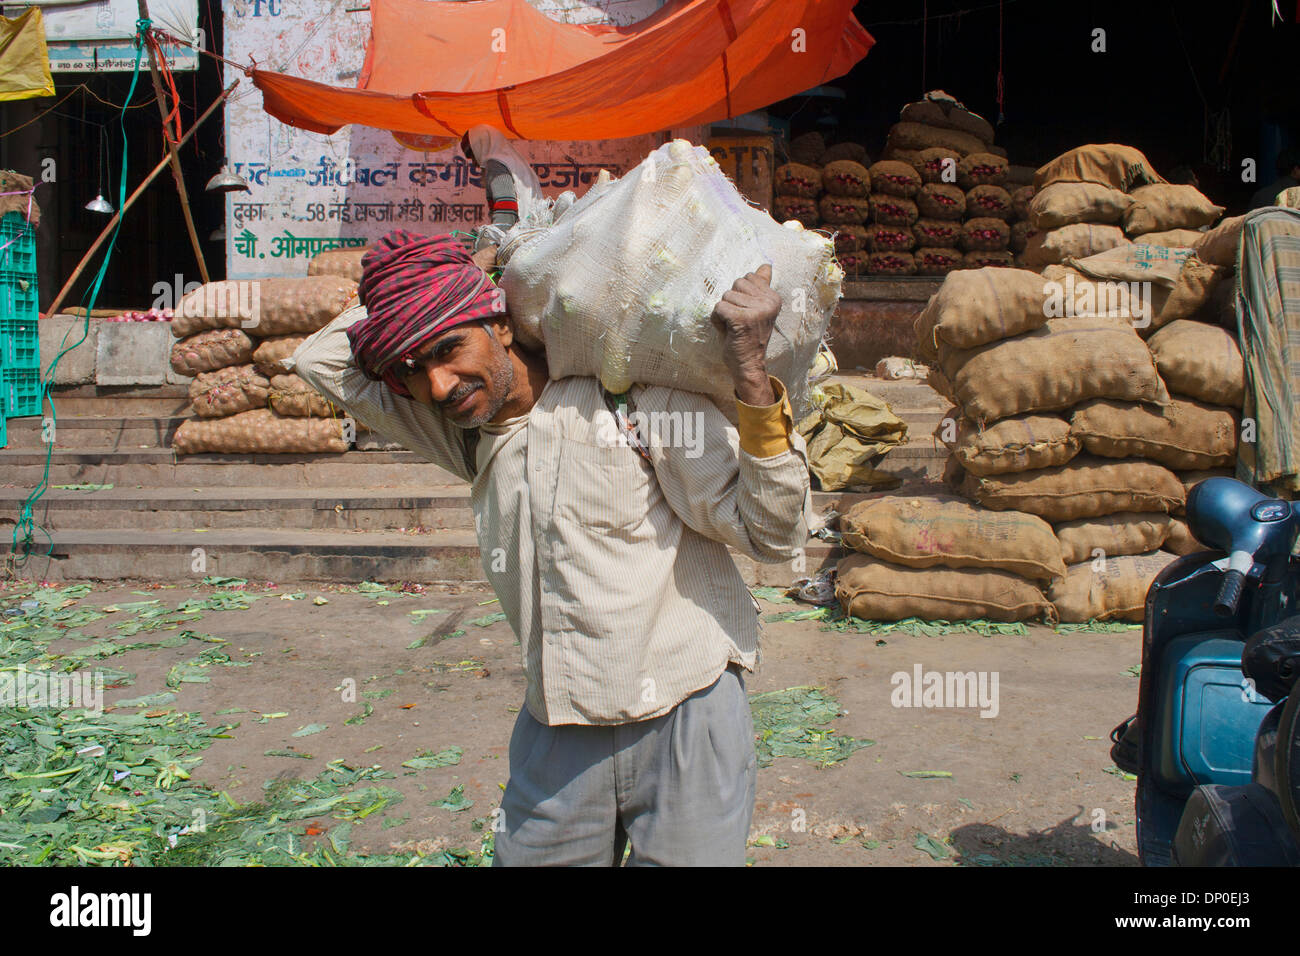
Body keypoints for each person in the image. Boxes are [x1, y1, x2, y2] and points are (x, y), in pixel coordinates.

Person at [291, 230, 812, 866]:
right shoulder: (467, 432)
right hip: (556, 728)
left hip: (686, 716)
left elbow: (774, 534)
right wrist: (482, 261)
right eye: (410, 368)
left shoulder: (633, 400)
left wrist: (753, 378)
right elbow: (318, 356)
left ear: (501, 325)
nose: (437, 383)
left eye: (450, 348)